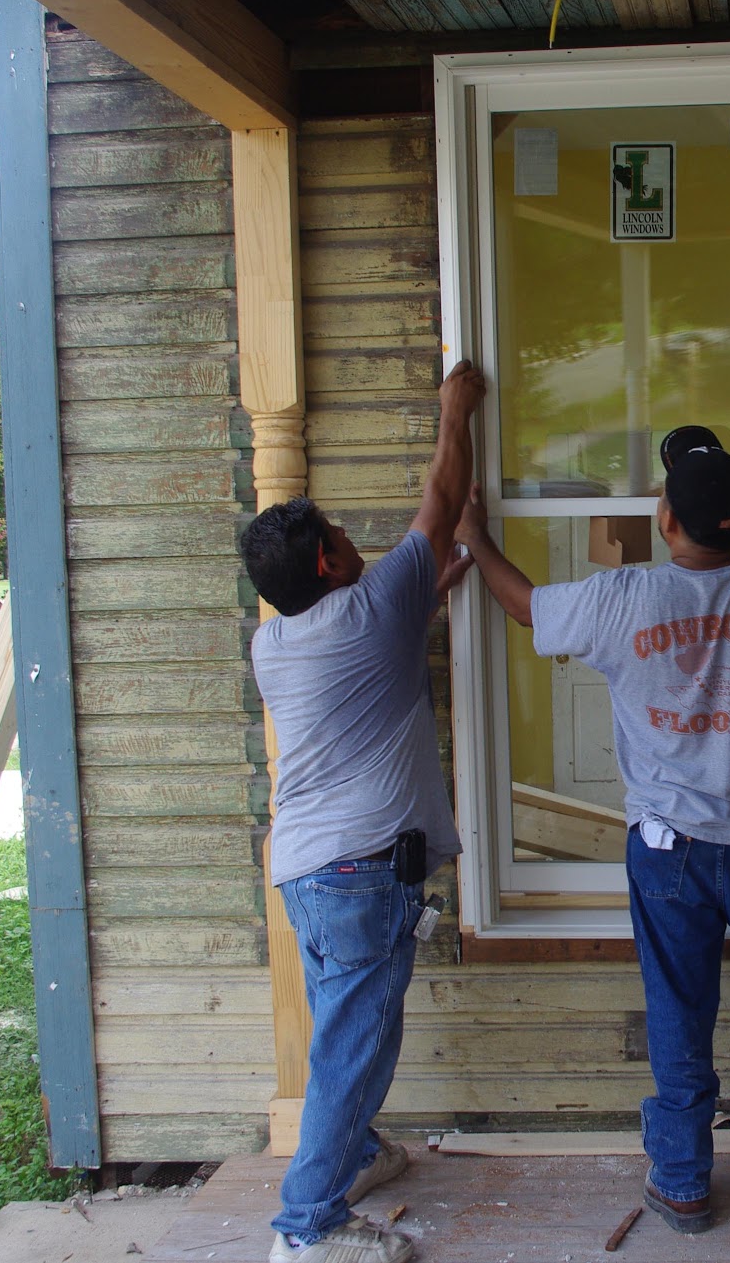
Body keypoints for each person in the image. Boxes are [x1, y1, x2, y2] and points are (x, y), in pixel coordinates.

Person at [462, 438, 730, 1235]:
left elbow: (525, 606)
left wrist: (475, 538)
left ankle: (683, 1183)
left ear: (666, 518)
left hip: (668, 852)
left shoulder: (625, 598)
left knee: (679, 1013)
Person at [238, 360, 485, 1263]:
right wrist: (455, 409)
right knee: (356, 1048)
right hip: (362, 871)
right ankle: (306, 1230)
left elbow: (370, 647)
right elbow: (445, 489)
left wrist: (429, 590)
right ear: (330, 563)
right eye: (346, 537)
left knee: (345, 1028)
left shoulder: (277, 640)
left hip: (306, 869)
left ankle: (357, 1154)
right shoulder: (373, 608)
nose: (359, 544)